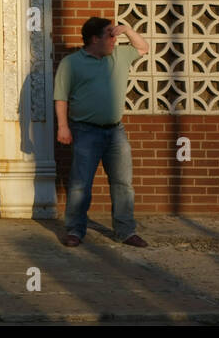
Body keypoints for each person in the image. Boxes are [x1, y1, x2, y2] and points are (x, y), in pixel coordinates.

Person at [55, 17, 150, 248]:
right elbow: (61, 96)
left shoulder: (119, 55)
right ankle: (75, 231)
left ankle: (125, 231)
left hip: (116, 132)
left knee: (123, 183)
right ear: (95, 39)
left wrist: (127, 29)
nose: (115, 38)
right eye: (110, 34)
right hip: (85, 131)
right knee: (80, 184)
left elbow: (143, 47)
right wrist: (63, 126)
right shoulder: (71, 63)